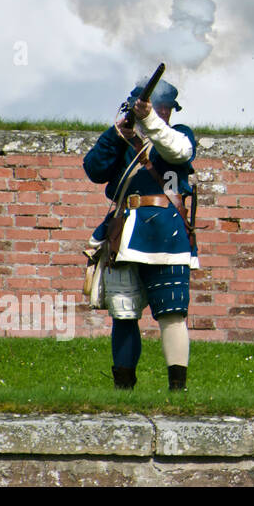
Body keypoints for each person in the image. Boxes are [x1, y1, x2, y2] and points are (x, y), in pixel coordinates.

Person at [82, 76, 197, 391]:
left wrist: (149, 120)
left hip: (166, 236)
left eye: (162, 109)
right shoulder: (122, 141)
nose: (165, 113)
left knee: (172, 312)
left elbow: (177, 153)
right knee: (123, 313)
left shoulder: (181, 135)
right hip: (123, 235)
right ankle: (123, 390)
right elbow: (94, 169)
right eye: (158, 108)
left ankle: (177, 389)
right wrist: (118, 133)